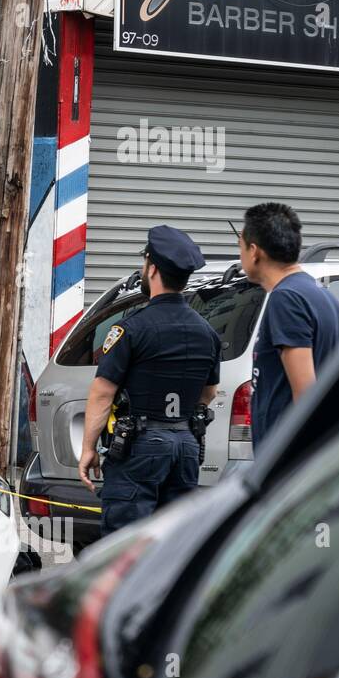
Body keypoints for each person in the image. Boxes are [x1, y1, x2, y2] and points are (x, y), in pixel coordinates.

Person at [78, 225, 221, 537]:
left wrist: (88, 448)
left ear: (153, 269)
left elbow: (102, 393)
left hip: (138, 449)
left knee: (125, 544)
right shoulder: (206, 332)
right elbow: (209, 393)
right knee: (173, 544)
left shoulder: (131, 329)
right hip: (185, 447)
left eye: (144, 264)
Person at [238, 202, 339, 447]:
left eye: (241, 247)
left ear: (255, 251)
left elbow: (306, 394)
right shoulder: (322, 296)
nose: (241, 256)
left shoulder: (286, 298)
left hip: (288, 457)